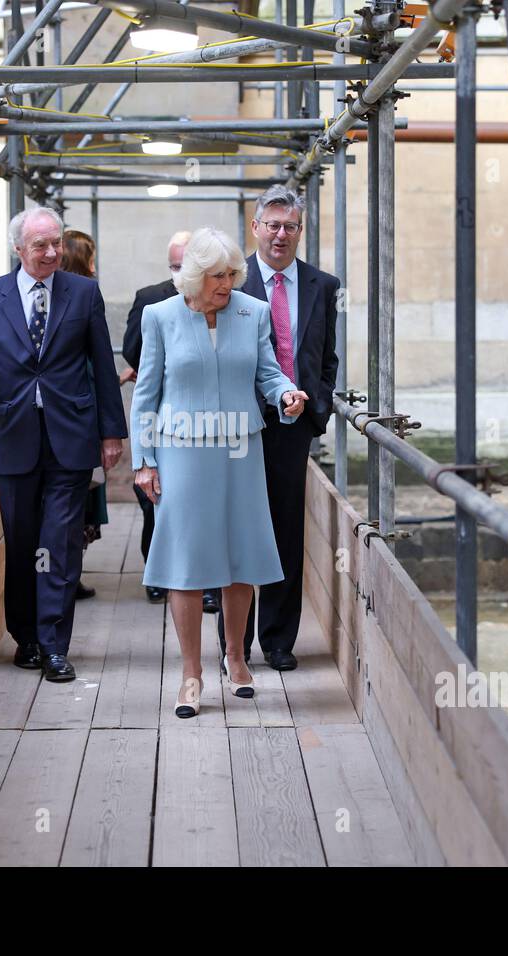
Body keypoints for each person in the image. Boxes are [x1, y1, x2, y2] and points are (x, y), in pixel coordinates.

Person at [131, 227, 308, 718]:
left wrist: (286, 396)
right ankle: (191, 674)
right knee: (185, 562)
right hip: (180, 450)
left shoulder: (252, 313)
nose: (227, 284)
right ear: (193, 276)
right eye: (217, 276)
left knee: (239, 555)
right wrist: (142, 460)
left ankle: (235, 657)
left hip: (240, 447)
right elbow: (145, 393)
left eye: (232, 274)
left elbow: (268, 373)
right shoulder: (159, 316)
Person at [0, 206, 127, 683]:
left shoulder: (84, 293)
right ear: (18, 250)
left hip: (71, 438)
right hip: (16, 436)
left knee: (61, 543)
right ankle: (25, 635)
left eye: (56, 243)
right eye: (40, 246)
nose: (52, 253)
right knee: (24, 540)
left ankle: (53, 645)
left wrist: (112, 433)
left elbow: (102, 366)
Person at [217, 185, 340, 672]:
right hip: (241, 427)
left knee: (285, 530)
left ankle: (278, 639)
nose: (281, 235)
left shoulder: (322, 286)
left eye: (290, 226)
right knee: (238, 530)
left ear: (300, 230)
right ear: (255, 228)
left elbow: (326, 357)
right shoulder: (230, 283)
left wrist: (319, 410)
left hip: (293, 426)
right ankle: (234, 642)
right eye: (272, 225)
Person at [122, 231, 220, 613]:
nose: (181, 274)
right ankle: (159, 574)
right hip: (166, 417)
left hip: (211, 424)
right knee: (157, 504)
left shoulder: (219, 300)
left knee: (205, 507)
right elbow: (134, 348)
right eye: (175, 266)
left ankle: (207, 582)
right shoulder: (151, 299)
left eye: (187, 265)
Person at [61, 227, 107, 601]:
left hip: (80, 418)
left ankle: (66, 576)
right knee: (78, 501)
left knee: (74, 502)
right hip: (81, 420)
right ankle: (67, 575)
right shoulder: (84, 297)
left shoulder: (79, 296)